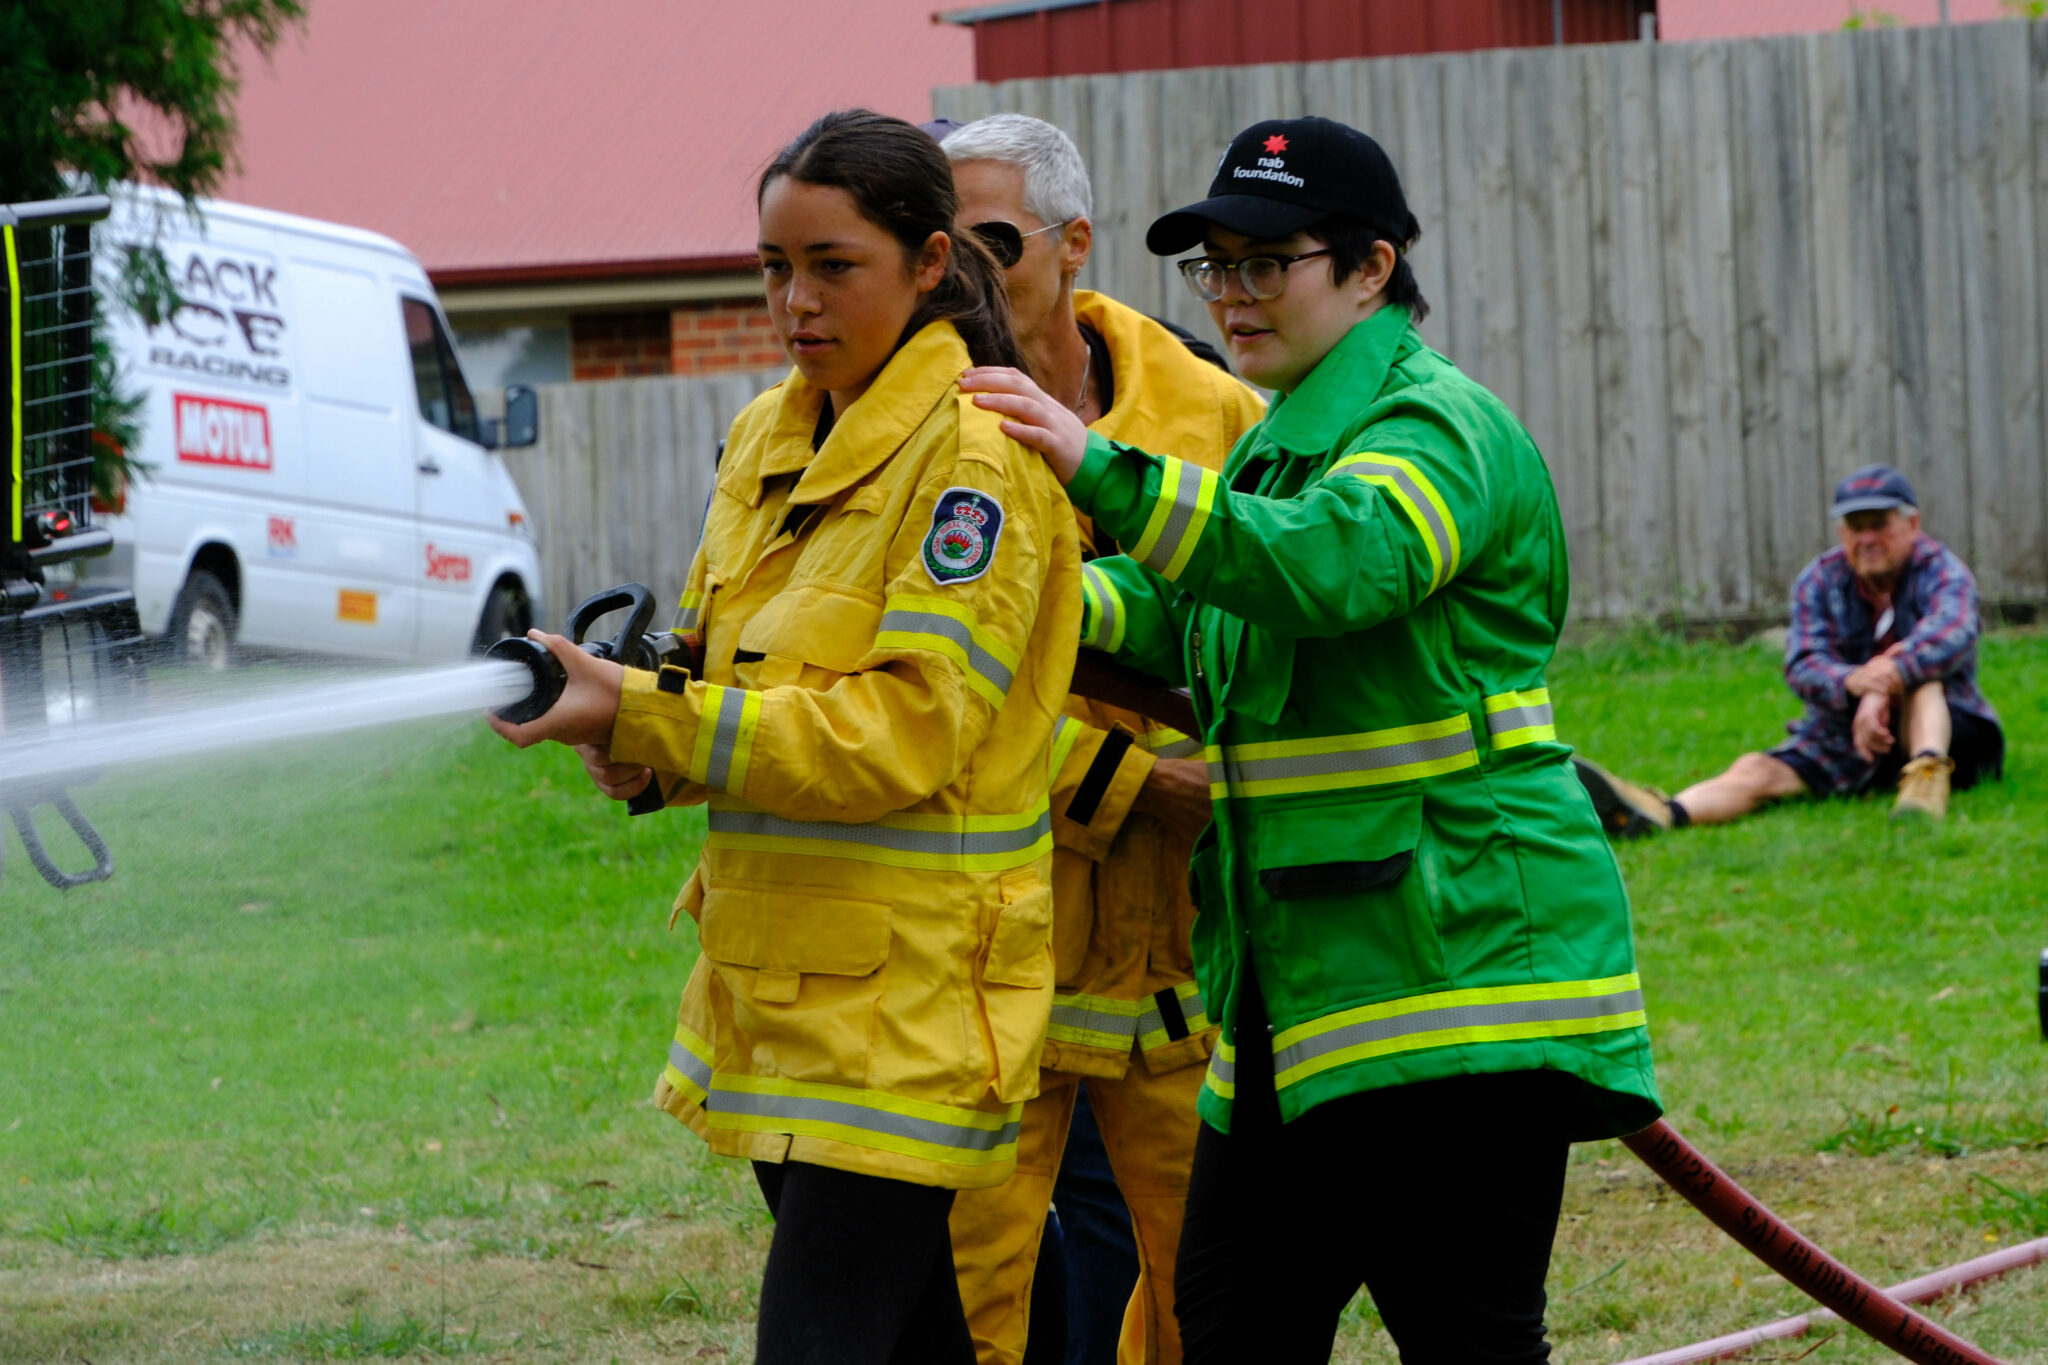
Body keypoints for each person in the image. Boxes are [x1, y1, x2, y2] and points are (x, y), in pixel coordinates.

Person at [961, 115, 1661, 1364]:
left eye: (1263, 263)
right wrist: (1012, 604)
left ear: (1370, 267)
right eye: (1212, 268)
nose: (1228, 296)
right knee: (1229, 1330)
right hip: (1299, 996)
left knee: (1465, 1341)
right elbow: (1193, 620)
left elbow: (1333, 567)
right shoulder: (1285, 447)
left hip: (1450, 992)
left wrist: (1096, 470)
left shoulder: (1431, 429)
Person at [489, 109, 1082, 1365]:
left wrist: (645, 711)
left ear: (930, 264)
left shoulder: (978, 461)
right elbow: (717, 661)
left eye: (832, 266)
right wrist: (635, 736)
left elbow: (899, 735)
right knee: (911, 1341)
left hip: (910, 999)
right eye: (772, 267)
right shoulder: (770, 429)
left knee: (819, 1339)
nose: (794, 301)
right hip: (782, 985)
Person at [936, 113, 1266, 1365]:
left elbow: (1261, 630)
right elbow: (928, 691)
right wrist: (1132, 784)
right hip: (994, 919)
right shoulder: (917, 425)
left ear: (1073, 244)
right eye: (939, 245)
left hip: (1183, 941)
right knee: (977, 1280)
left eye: (995, 241)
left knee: (1214, 1279)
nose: (963, 272)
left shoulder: (1215, 409)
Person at [1574, 465, 2004, 832]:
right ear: (1841, 532)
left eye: (1880, 524)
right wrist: (1854, 682)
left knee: (1923, 680)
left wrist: (1881, 684)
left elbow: (1952, 635)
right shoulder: (1817, 580)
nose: (1868, 538)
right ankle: (1658, 813)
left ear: (1912, 525)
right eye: (1857, 527)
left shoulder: (1944, 570)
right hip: (1846, 737)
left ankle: (1925, 782)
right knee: (1755, 769)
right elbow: (1803, 664)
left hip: (1955, 739)